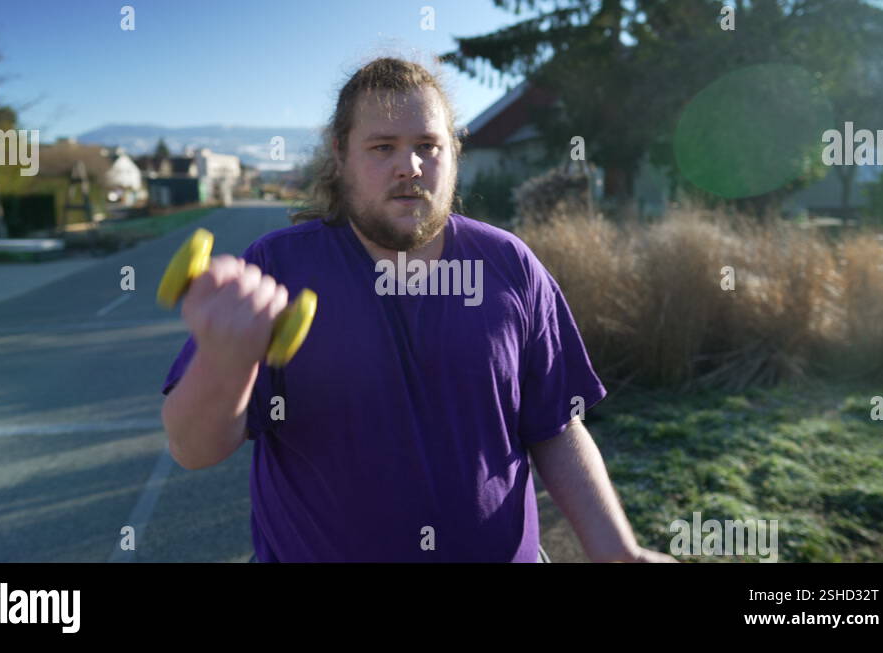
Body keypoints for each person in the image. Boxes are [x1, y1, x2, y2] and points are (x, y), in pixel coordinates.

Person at [161, 56, 675, 563]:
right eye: (383, 147)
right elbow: (193, 449)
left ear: (453, 152)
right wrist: (223, 362)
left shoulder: (510, 264)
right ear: (340, 156)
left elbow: (556, 425)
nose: (409, 166)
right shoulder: (277, 267)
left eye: (427, 146)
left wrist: (618, 553)